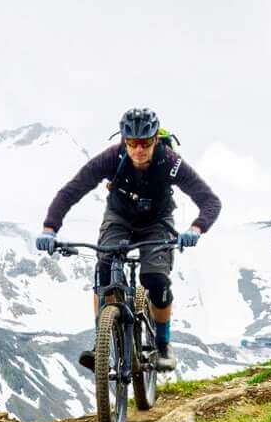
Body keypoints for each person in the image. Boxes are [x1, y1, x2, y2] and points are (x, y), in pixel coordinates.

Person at [35, 107, 221, 371]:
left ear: (155, 139)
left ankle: (163, 344)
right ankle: (103, 342)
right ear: (124, 140)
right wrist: (49, 229)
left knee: (155, 280)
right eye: (131, 142)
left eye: (145, 143)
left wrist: (196, 228)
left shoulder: (170, 162)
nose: (138, 150)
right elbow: (72, 191)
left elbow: (210, 201)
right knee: (104, 272)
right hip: (119, 219)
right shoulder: (111, 158)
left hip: (157, 222)